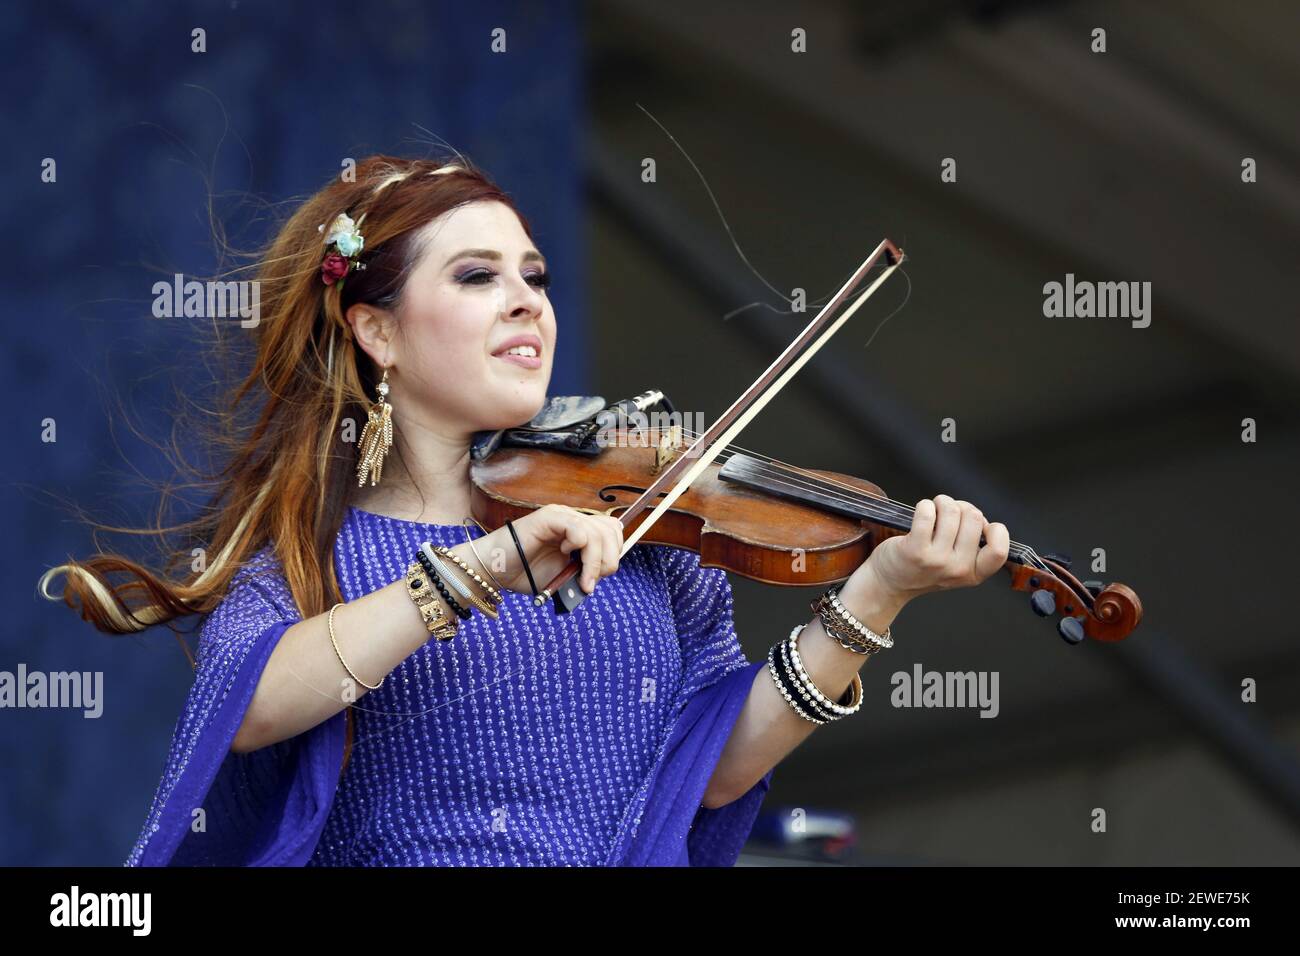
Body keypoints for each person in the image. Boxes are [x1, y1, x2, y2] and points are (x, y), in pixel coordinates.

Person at [38, 153, 1011, 866]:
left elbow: (709, 770)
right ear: (375, 327)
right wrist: (486, 566)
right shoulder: (314, 560)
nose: (526, 302)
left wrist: (876, 591)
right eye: (477, 276)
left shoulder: (644, 535)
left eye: (535, 277)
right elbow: (248, 705)